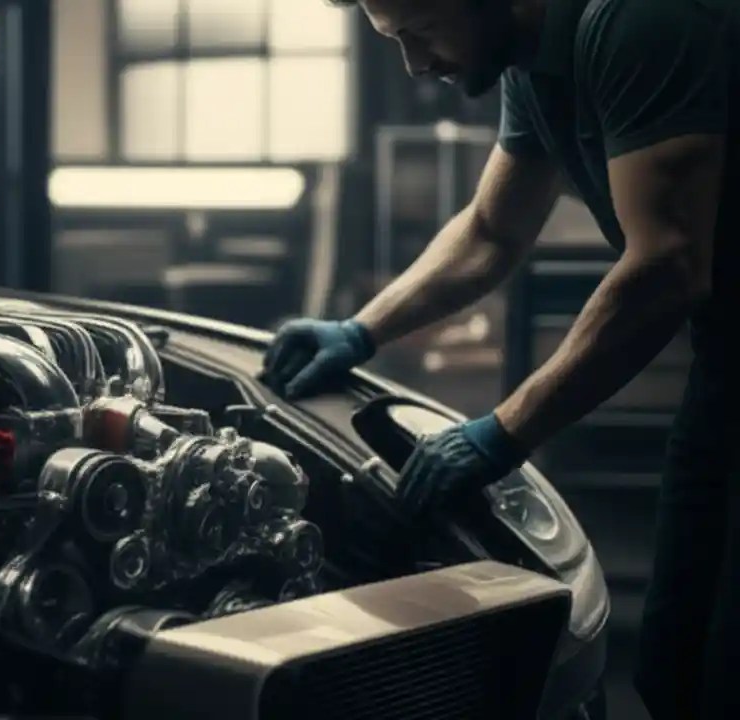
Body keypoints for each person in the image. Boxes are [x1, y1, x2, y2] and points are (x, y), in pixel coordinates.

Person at [261, 1, 738, 718]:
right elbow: (490, 231)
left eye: (421, 32)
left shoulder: (639, 20)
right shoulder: (531, 61)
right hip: (725, 361)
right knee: (675, 663)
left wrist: (503, 432)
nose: (415, 65)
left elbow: (667, 265)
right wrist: (360, 332)